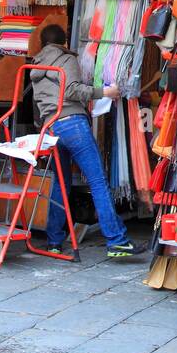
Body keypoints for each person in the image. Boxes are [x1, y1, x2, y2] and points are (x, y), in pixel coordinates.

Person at [31, 25, 146, 260]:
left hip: (51, 127)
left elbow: (38, 104)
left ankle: (54, 241)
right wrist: (104, 93)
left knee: (59, 184)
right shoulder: (65, 59)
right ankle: (117, 241)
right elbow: (72, 90)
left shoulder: (36, 65)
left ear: (43, 43)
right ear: (64, 42)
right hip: (72, 123)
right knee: (97, 182)